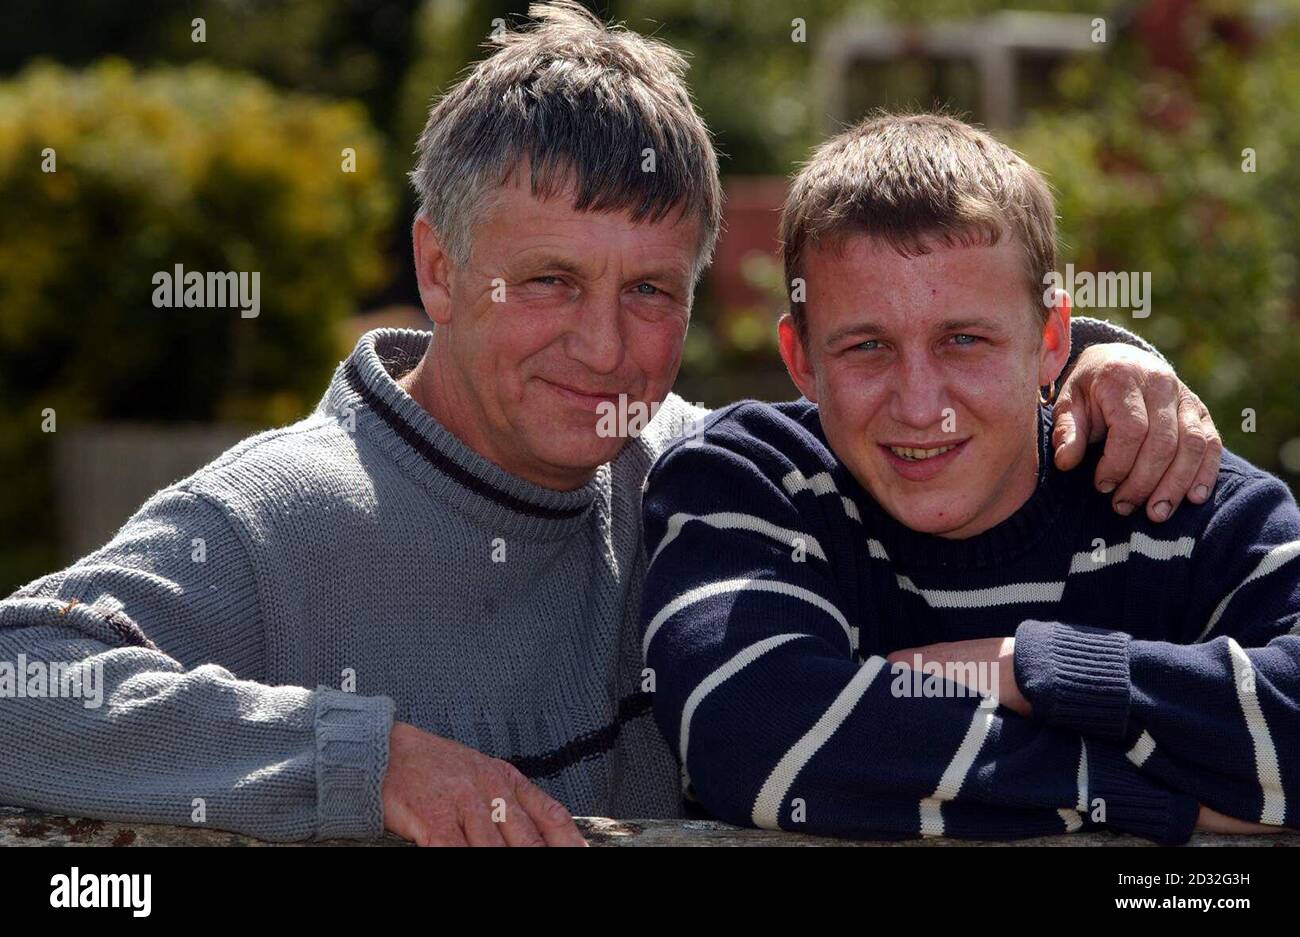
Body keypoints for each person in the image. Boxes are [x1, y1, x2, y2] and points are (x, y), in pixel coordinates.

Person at [0, 5, 1220, 846]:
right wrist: (364, 761)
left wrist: (1108, 362)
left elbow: (907, 405)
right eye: (546, 282)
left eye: (648, 293)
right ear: (438, 267)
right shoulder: (279, 519)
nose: (601, 346)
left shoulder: (705, 475)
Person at [639, 112, 1297, 844]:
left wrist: (1027, 667)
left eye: (963, 340)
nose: (921, 406)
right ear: (800, 362)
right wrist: (1130, 789)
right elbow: (757, 736)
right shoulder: (750, 479)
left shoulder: (1168, 483)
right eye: (867, 346)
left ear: (1052, 341)